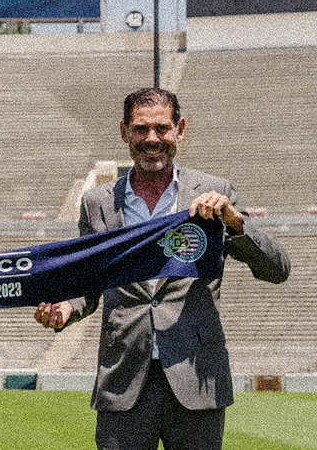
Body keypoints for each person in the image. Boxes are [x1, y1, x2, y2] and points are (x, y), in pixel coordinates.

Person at [34, 87, 289, 450]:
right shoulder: (98, 204)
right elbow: (88, 284)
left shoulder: (215, 193)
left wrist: (234, 222)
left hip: (197, 381)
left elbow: (277, 268)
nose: (151, 139)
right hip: (123, 382)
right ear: (124, 132)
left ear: (179, 130)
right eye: (140, 129)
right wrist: (65, 308)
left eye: (162, 128)